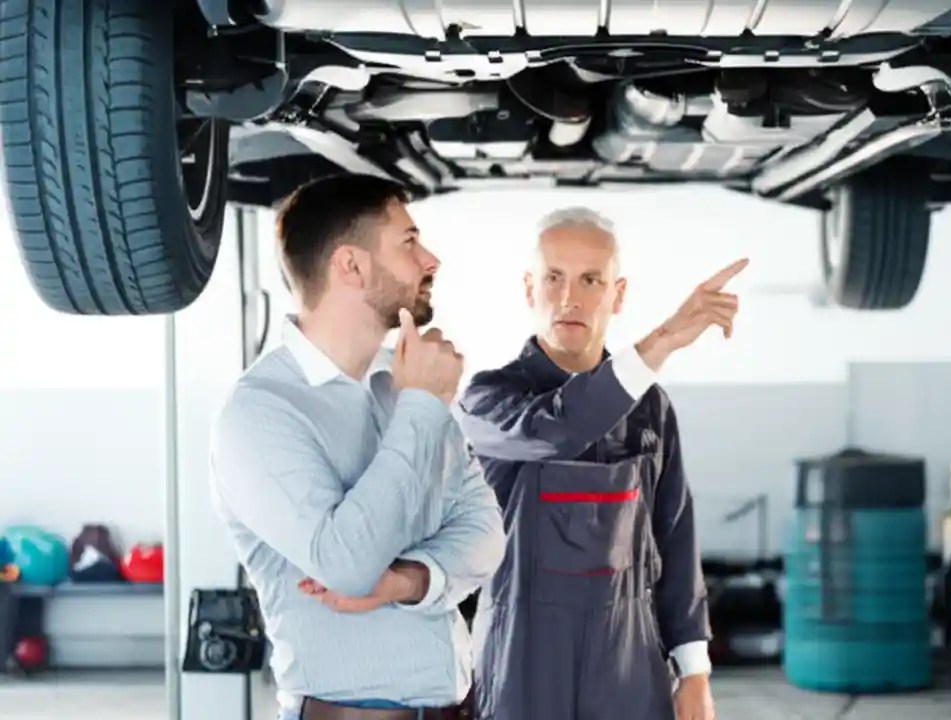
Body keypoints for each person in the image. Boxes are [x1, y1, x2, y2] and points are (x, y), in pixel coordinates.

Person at [208, 174, 505, 720]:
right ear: (351, 265)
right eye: (409, 242)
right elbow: (345, 563)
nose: (431, 259)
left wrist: (404, 582)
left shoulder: (406, 381)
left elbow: (486, 534)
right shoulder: (260, 413)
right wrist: (421, 409)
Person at [456, 207, 748, 720]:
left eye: (591, 280)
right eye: (554, 278)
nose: (570, 297)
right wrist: (664, 340)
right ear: (529, 289)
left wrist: (695, 672)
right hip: (521, 668)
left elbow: (676, 541)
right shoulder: (489, 398)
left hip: (629, 670)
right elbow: (557, 430)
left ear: (617, 295)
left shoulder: (651, 409)